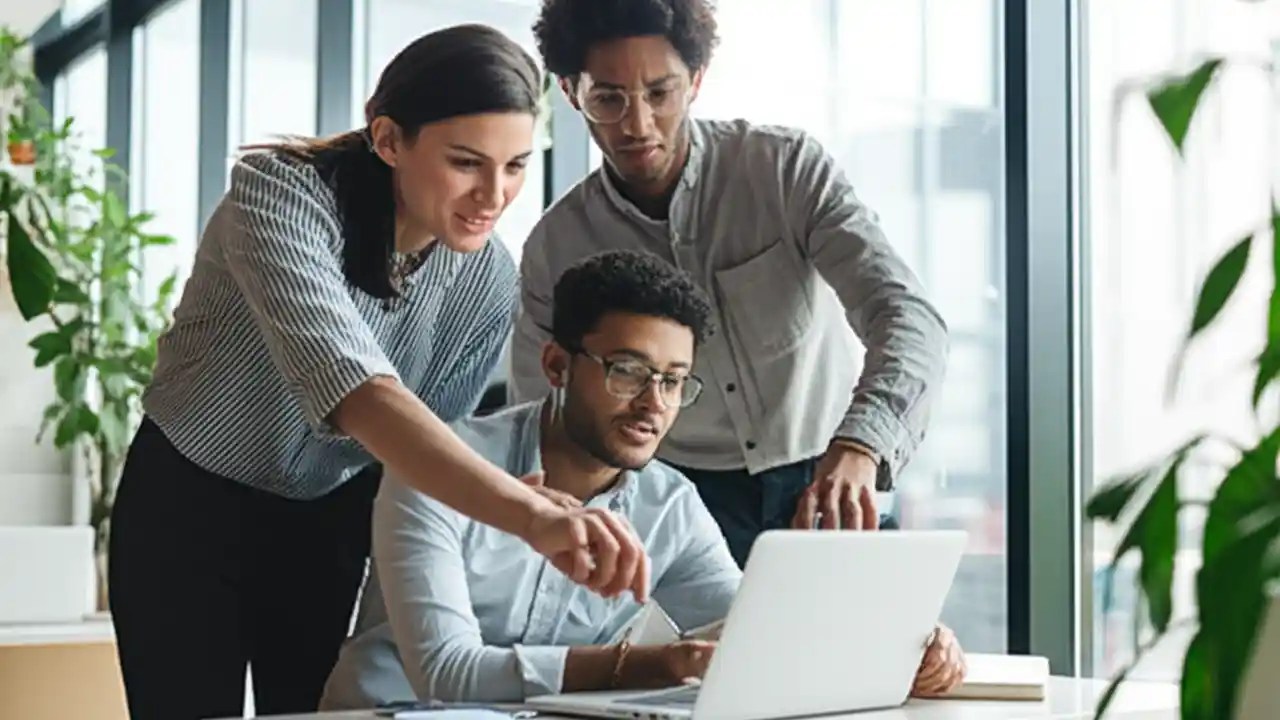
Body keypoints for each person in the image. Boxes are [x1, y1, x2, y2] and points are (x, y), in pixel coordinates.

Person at [107, 25, 647, 720]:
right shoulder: (278, 196)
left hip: (326, 523)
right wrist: (525, 514)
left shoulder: (487, 283)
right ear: (389, 139)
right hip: (188, 503)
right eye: (465, 163)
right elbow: (359, 392)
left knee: (310, 713)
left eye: (515, 166)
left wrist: (521, 496)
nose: (494, 194)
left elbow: (421, 449)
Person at [319, 250, 966, 709]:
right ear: (556, 364)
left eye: (673, 380)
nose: (653, 403)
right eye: (627, 371)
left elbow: (757, 630)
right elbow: (447, 675)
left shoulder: (669, 505)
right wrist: (652, 663)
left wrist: (903, 646)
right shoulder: (442, 467)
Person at [510, 0, 950, 568]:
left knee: (884, 653)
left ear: (695, 81)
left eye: (660, 93)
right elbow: (537, 410)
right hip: (671, 507)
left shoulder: (786, 171)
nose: (637, 124)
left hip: (830, 482)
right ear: (571, 93)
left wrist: (863, 446)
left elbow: (909, 318)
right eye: (608, 98)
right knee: (700, 659)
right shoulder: (559, 244)